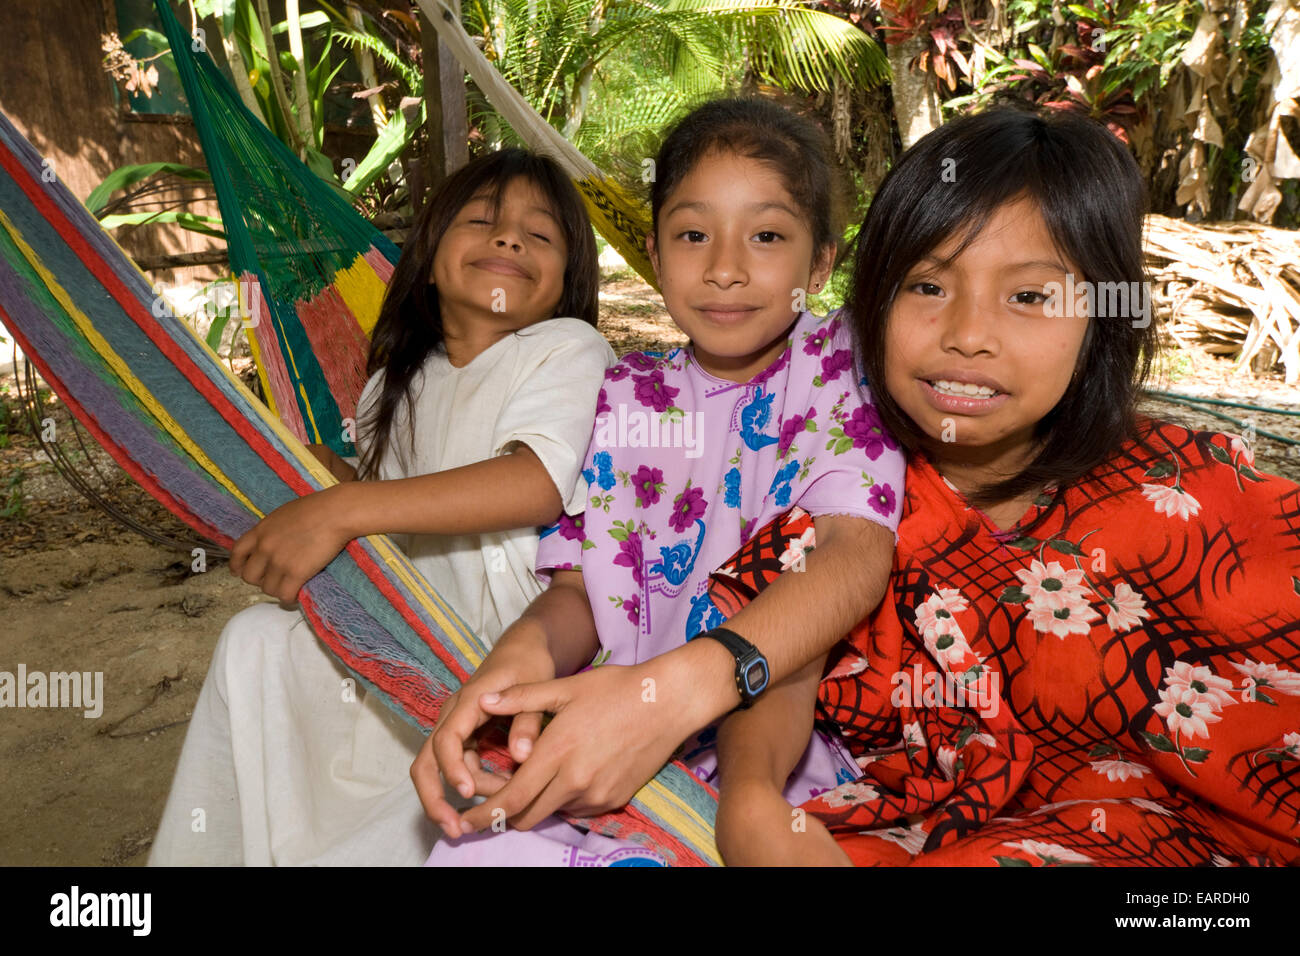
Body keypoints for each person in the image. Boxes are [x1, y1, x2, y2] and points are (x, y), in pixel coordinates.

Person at [715, 106, 1300, 865]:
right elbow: (783, 667)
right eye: (926, 286)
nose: (967, 334)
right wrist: (754, 800)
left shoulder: (1194, 491)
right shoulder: (849, 491)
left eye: (1028, 297)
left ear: (1103, 319)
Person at [411, 96, 904, 866]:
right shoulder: (623, 391)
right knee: (468, 853)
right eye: (693, 235)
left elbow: (855, 556)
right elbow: (577, 592)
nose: (725, 268)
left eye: (767, 236)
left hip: (773, 754)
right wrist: (507, 677)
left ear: (821, 264)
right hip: (610, 735)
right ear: (653, 249)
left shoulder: (837, 367)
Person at [148, 148, 615, 865]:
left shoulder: (565, 348)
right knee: (255, 643)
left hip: (511, 640)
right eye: (482, 221)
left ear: (563, 285)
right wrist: (249, 444)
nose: (509, 238)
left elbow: (535, 483)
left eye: (539, 235)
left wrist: (343, 509)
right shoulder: (393, 387)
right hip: (407, 623)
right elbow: (370, 507)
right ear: (427, 264)